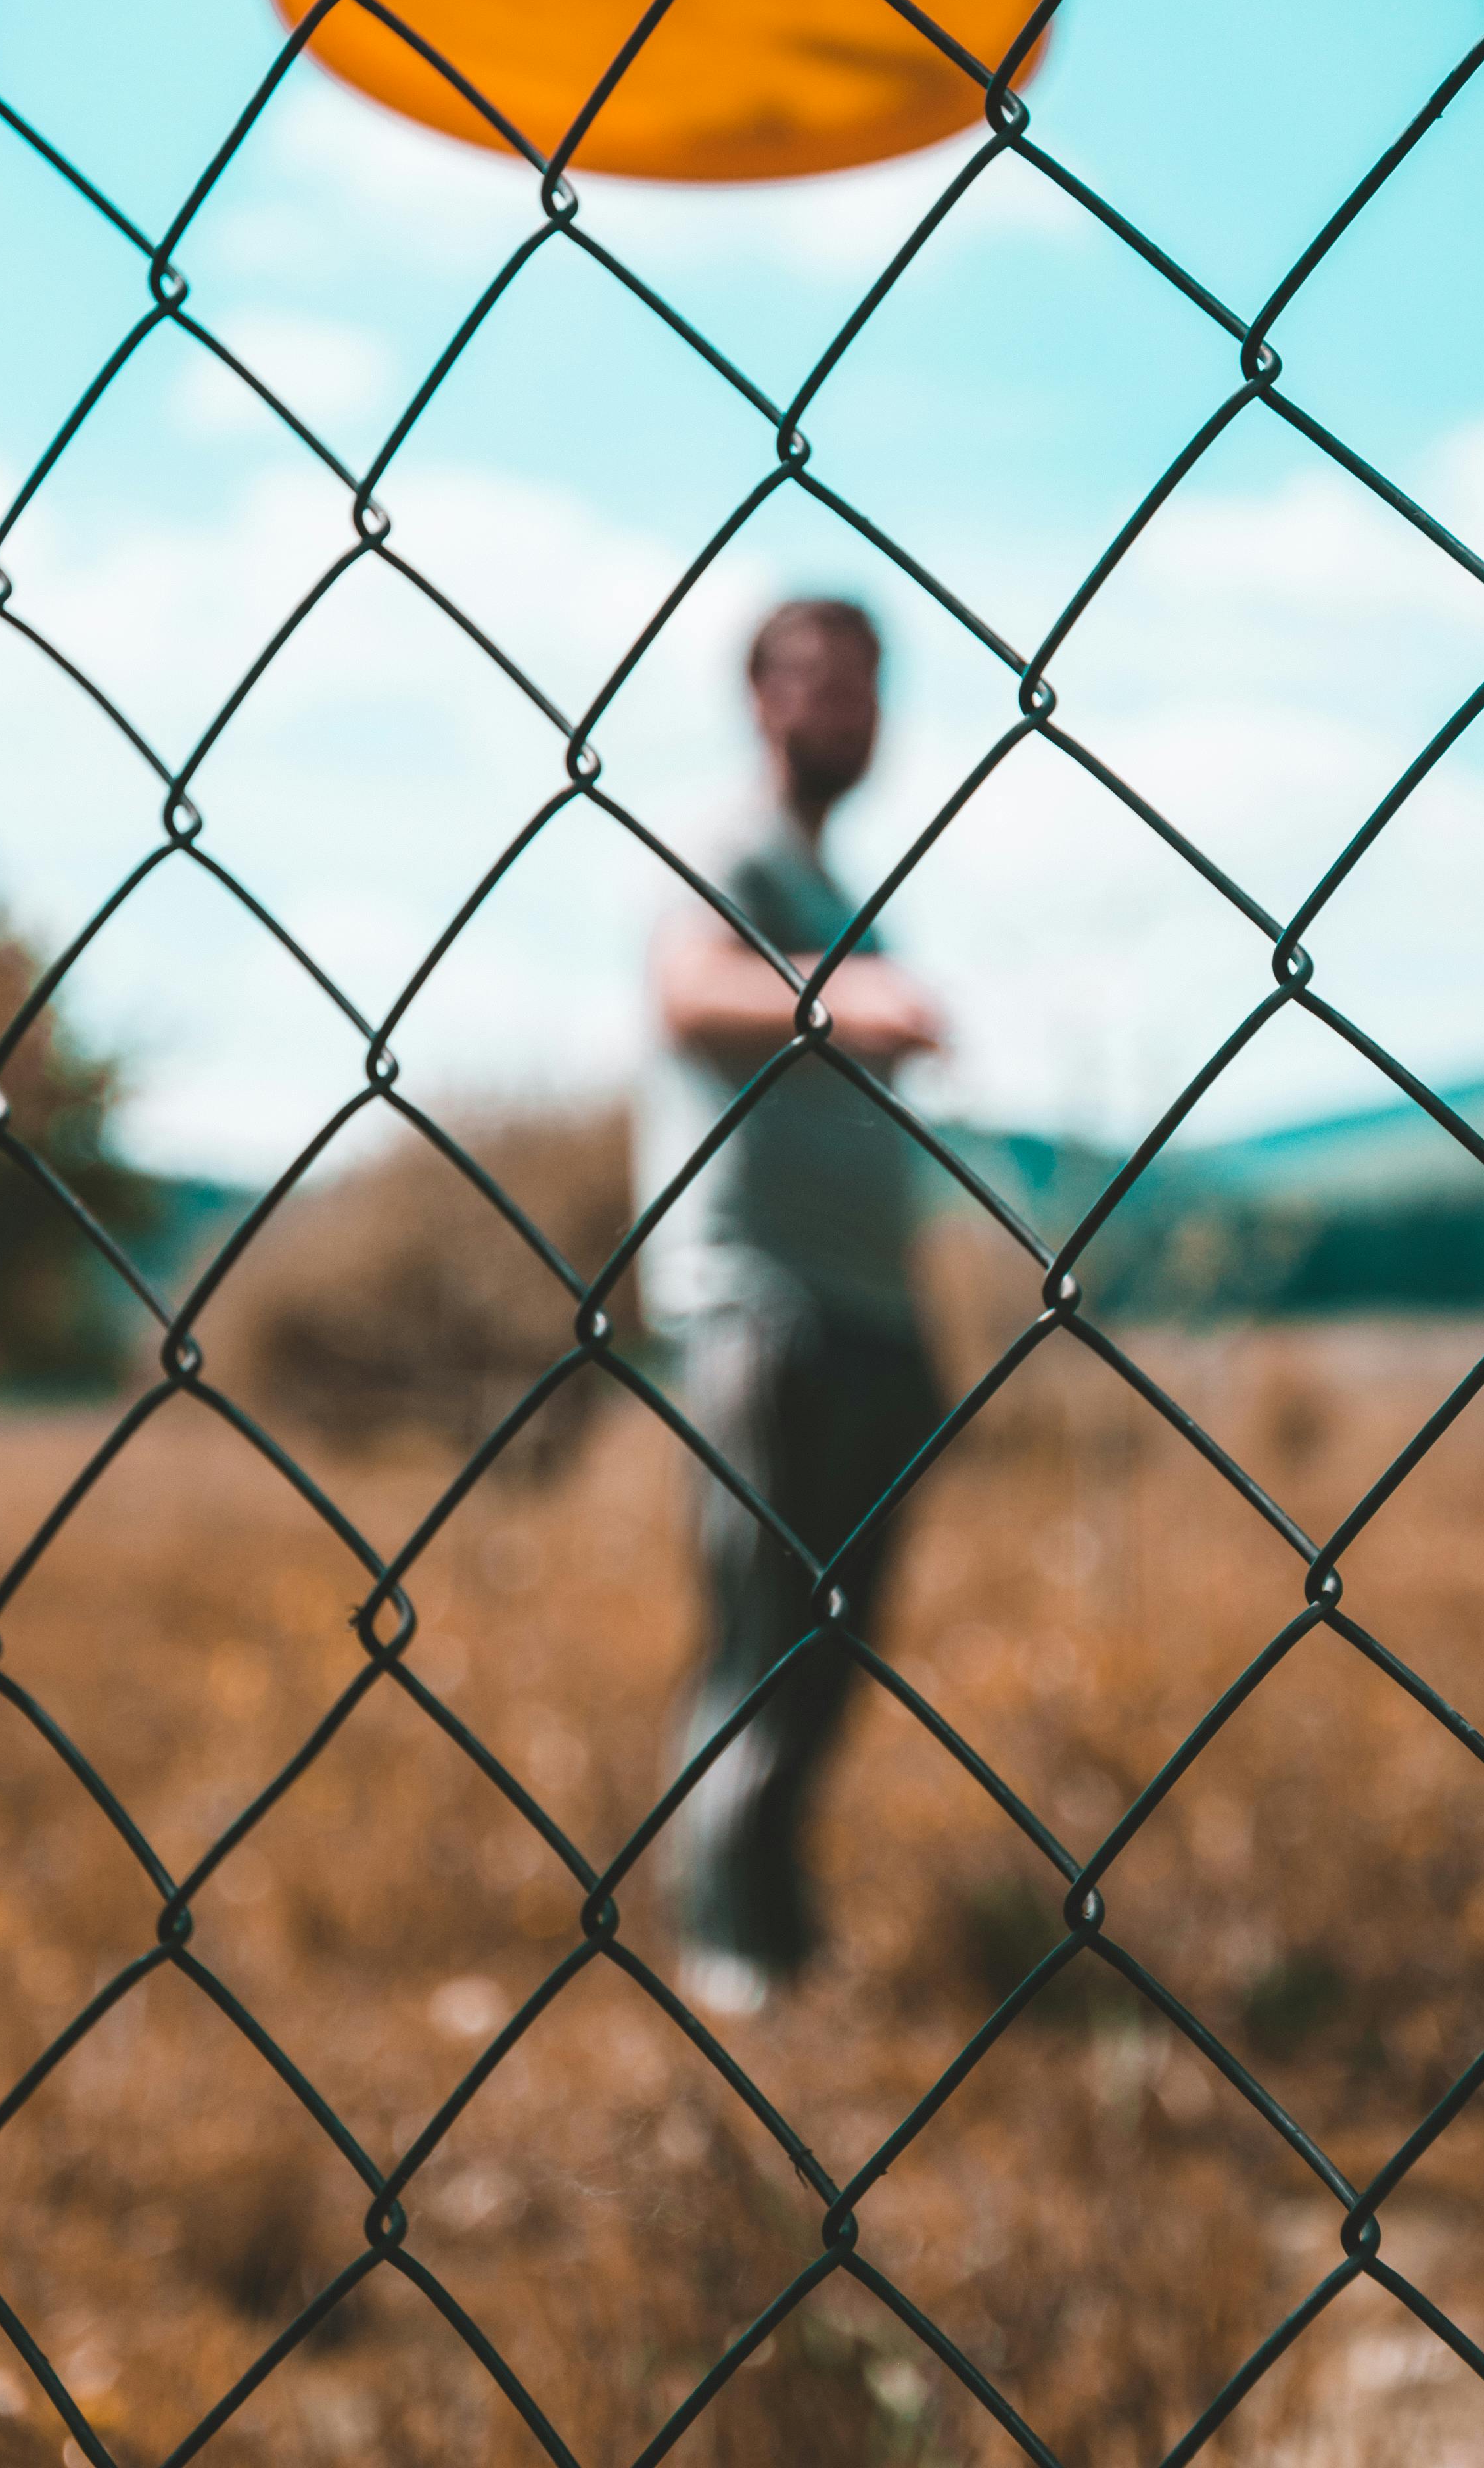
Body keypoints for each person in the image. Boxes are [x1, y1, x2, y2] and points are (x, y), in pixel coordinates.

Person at [641, 595, 946, 2015]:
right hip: (756, 1302)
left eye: (865, 685)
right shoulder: (731, 850)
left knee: (833, 1636)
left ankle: (776, 1920)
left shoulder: (841, 886)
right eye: (818, 681)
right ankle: (727, 1949)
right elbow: (688, 991)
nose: (846, 709)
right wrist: (849, 997)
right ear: (757, 697)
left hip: (870, 1308)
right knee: (762, 1625)